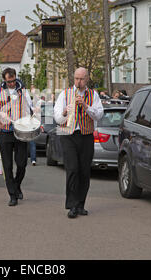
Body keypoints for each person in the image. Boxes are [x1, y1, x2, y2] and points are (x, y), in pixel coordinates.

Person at [54, 67, 104, 218]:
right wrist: (64, 112)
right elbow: (57, 117)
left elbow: (99, 115)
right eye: (76, 78)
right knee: (73, 169)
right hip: (67, 134)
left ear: (87, 79)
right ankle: (72, 205)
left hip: (86, 135)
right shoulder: (65, 94)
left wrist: (85, 106)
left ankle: (81, 204)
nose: (78, 82)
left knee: (84, 171)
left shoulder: (93, 95)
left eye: (81, 79)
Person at [0, 67, 33, 206]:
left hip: (21, 132)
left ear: (15, 77)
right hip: (6, 132)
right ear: (4, 80)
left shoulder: (23, 91)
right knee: (7, 166)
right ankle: (12, 195)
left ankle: (17, 184)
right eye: (9, 82)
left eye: (13, 80)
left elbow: (29, 108)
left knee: (22, 164)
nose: (12, 83)